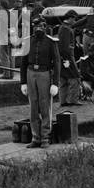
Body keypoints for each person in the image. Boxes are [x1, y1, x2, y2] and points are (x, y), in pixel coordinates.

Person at [19, 15, 61, 148]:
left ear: (45, 27)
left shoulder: (51, 42)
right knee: (33, 106)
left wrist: (55, 83)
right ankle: (35, 137)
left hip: (44, 74)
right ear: (33, 27)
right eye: (36, 26)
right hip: (31, 74)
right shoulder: (28, 41)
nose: (39, 28)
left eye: (41, 26)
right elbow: (23, 63)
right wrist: (23, 82)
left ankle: (45, 137)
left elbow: (57, 63)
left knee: (44, 106)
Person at [57, 12, 81, 105]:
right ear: (70, 18)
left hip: (64, 58)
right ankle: (73, 100)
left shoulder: (62, 27)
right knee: (75, 78)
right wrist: (66, 60)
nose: (74, 21)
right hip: (68, 58)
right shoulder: (66, 29)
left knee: (63, 79)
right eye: (74, 19)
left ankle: (63, 101)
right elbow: (66, 47)